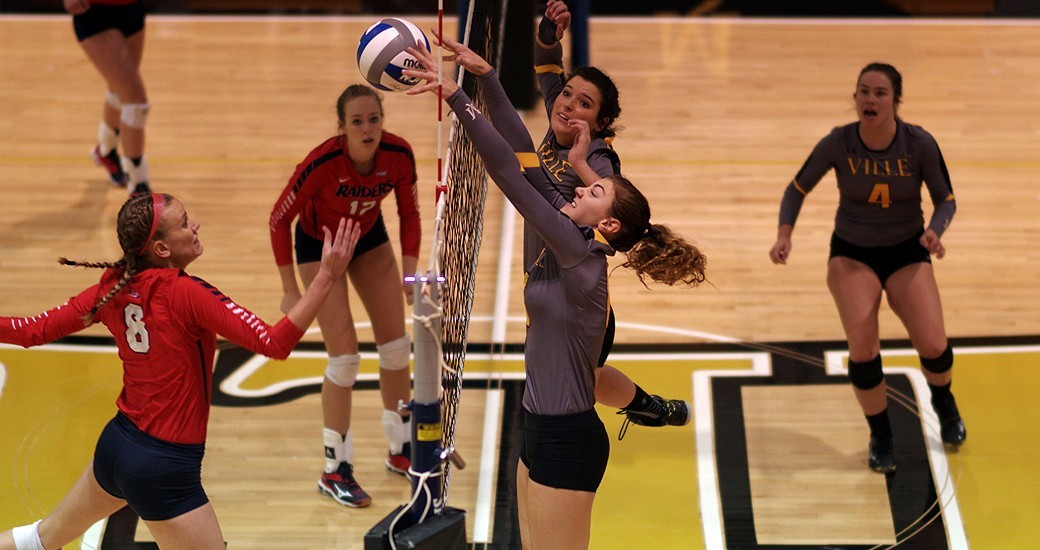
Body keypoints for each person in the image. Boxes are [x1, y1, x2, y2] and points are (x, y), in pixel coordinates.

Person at [405, 42, 707, 550]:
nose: (577, 190)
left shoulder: (576, 249)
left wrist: (458, 95)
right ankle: (646, 405)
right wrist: (488, 77)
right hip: (539, 424)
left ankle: (646, 405)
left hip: (568, 439)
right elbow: (524, 156)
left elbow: (505, 171)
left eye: (591, 192)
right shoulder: (573, 228)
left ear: (606, 223)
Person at [0, 193, 360, 550]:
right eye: (185, 223)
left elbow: (32, 330)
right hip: (162, 469)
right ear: (161, 250)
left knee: (41, 539)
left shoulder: (113, 287)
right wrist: (326, 276)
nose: (196, 225)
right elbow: (273, 343)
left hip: (117, 447)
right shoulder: (185, 293)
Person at [768, 62, 966, 473]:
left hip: (908, 251)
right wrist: (785, 234)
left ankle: (943, 400)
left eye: (879, 93)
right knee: (862, 347)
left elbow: (946, 199)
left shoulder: (918, 144)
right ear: (855, 97)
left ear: (896, 101)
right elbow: (796, 188)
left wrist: (935, 231)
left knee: (932, 345)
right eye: (863, 92)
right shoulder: (839, 142)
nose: (869, 100)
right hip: (852, 253)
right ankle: (881, 434)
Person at [535, 1, 693, 434]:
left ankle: (650, 407)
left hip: (580, 299)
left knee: (585, 383)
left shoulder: (601, 159)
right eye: (567, 93)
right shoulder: (558, 120)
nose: (567, 104)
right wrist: (550, 31)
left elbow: (614, 214)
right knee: (575, 379)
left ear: (600, 122)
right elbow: (547, 62)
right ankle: (647, 406)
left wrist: (582, 162)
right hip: (547, 279)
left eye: (582, 103)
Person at [268, 84, 421, 508]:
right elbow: (279, 220)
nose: (367, 128)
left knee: (396, 347)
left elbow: (409, 214)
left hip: (369, 240)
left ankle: (401, 450)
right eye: (357, 121)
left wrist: (410, 276)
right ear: (342, 128)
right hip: (320, 247)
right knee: (346, 358)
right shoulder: (321, 163)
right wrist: (289, 291)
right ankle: (334, 469)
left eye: (374, 119)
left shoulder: (399, 156)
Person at [64, 0, 152, 195]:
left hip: (131, 7)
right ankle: (138, 186)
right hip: (94, 11)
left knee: (121, 89)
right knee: (136, 103)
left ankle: (106, 151)